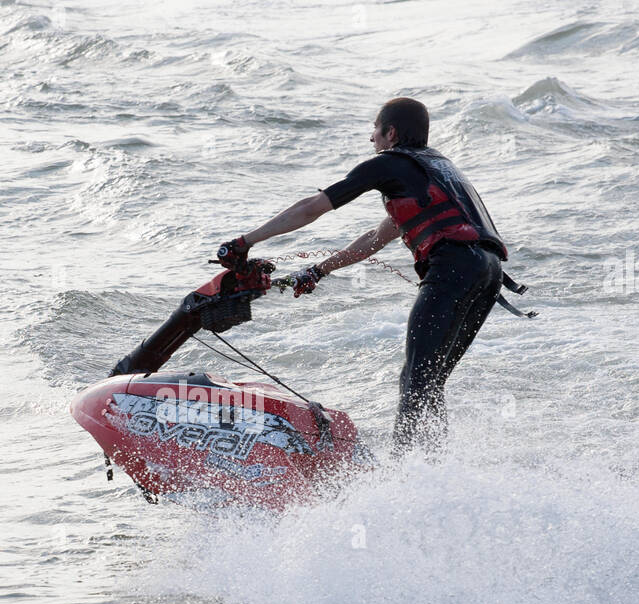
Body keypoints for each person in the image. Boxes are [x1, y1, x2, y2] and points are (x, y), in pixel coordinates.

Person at [215, 97, 528, 452]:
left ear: (390, 132)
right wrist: (319, 269)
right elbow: (375, 239)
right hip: (487, 275)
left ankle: (406, 471)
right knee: (429, 380)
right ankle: (433, 467)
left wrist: (245, 241)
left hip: (454, 269)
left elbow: (311, 208)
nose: (371, 139)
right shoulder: (437, 167)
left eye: (375, 130)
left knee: (416, 380)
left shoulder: (388, 165)